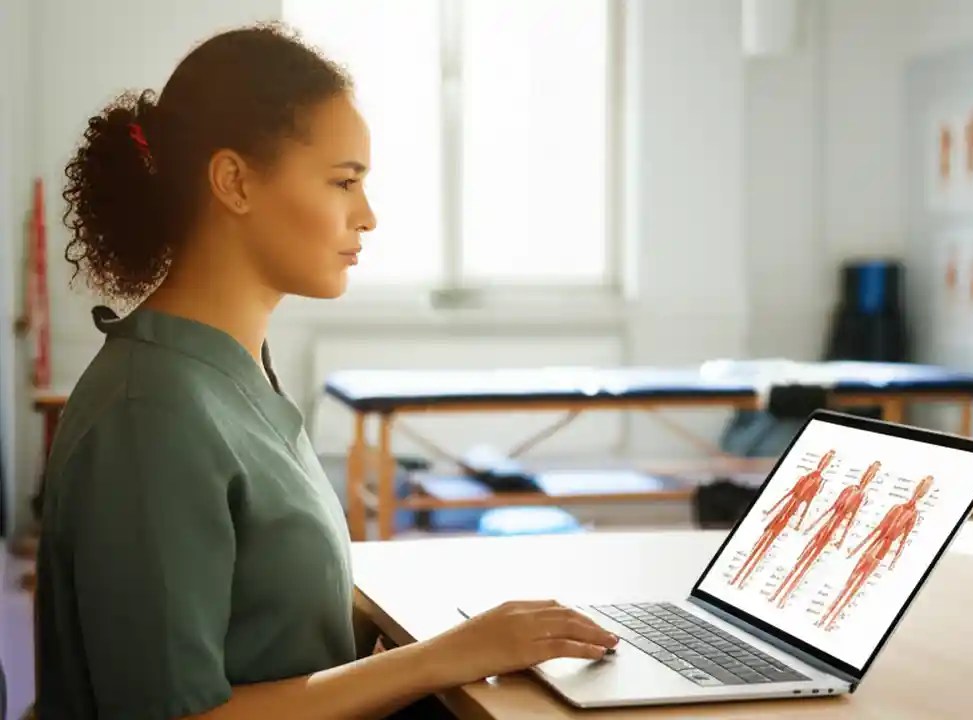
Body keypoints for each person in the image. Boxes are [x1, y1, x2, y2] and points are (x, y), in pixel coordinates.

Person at [36, 22, 617, 720]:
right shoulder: (151, 414)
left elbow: (270, 618)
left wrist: (456, 638)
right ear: (234, 183)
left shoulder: (233, 371)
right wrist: (446, 655)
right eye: (344, 182)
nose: (366, 217)